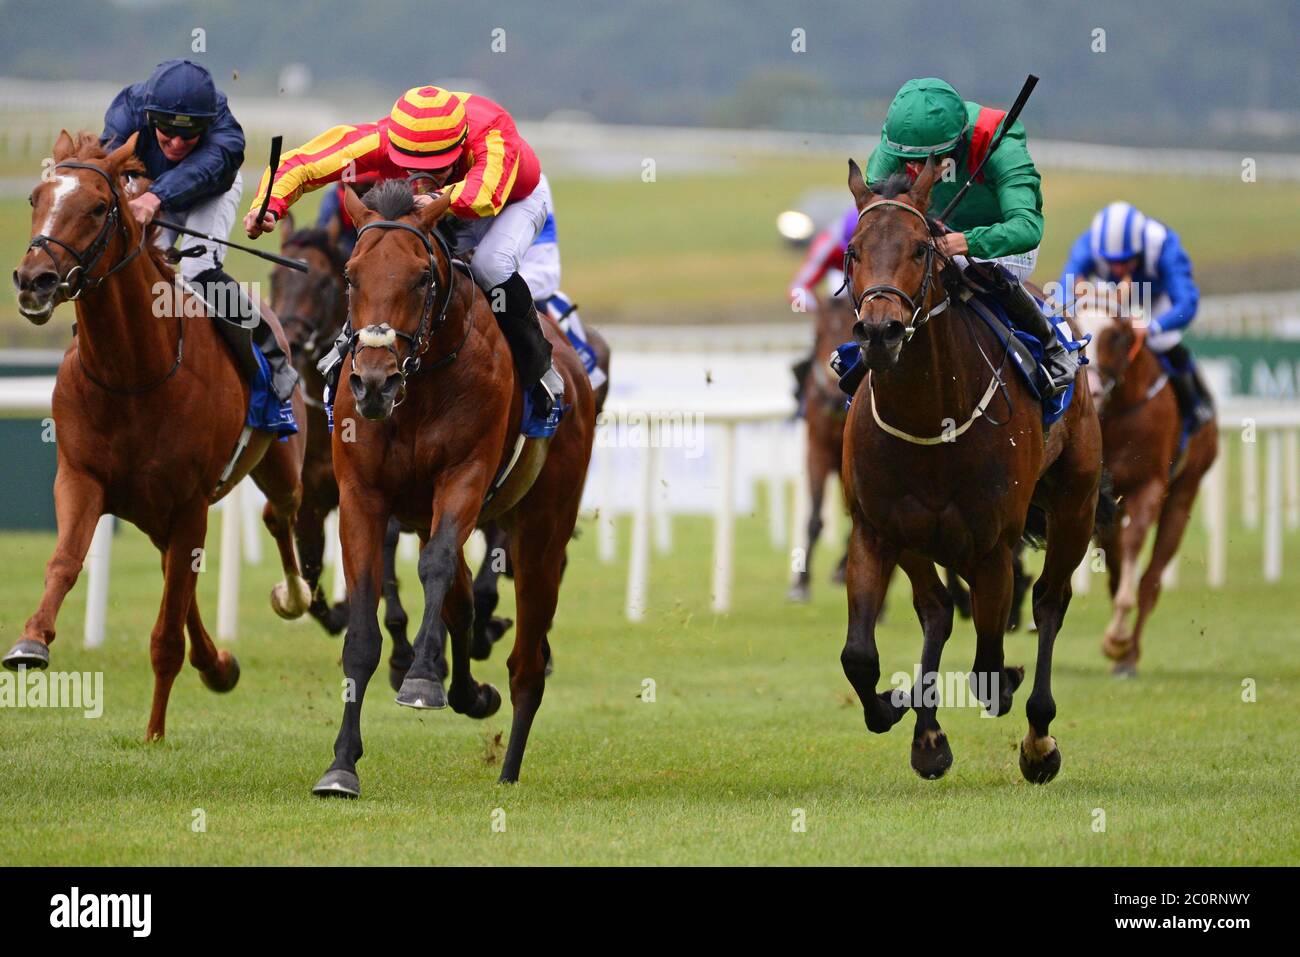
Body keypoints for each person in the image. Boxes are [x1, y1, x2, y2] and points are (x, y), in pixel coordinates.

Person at [243, 85, 562, 424]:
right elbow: (303, 164)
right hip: (446, 202)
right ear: (395, 146)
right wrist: (268, 205)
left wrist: (429, 200)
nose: (421, 177)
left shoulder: (493, 134)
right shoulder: (381, 138)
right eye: (410, 167)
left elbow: (483, 195)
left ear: (461, 144)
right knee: (383, 263)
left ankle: (538, 368)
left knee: (489, 265)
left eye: (437, 166)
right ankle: (344, 352)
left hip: (509, 200)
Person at [101, 58, 299, 411]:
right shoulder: (128, 108)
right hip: (151, 190)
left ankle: (272, 354)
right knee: (131, 267)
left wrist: (153, 197)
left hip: (211, 191)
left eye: (189, 134)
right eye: (166, 132)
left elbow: (201, 172)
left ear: (206, 126)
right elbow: (106, 161)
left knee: (197, 273)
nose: (176, 143)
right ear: (150, 117)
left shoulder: (226, 133)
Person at [865, 77, 1076, 397]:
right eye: (913, 162)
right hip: (929, 236)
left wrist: (967, 242)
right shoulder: (898, 140)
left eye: (930, 162)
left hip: (1001, 243)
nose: (920, 171)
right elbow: (879, 210)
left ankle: (1052, 347)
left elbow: (1026, 227)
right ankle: (862, 351)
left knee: (967, 265)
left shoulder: (999, 140)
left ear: (958, 142)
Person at [1059, 201, 1213, 426]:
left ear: (1140, 248)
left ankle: (1195, 405)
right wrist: (1070, 312)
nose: (1119, 268)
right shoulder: (1088, 243)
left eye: (1126, 261)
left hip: (1154, 297)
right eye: (1112, 262)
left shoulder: (1164, 246)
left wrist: (1153, 327)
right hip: (1110, 295)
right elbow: (1064, 288)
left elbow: (1187, 303)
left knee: (1164, 341)